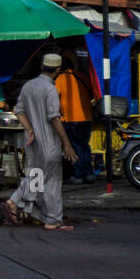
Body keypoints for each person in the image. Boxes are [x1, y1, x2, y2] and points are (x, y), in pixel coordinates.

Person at [2, 54, 77, 231]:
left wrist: (30, 130)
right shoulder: (50, 90)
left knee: (39, 178)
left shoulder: (29, 85)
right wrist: (66, 143)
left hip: (33, 142)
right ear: (58, 70)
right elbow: (54, 118)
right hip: (49, 143)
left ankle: (51, 219)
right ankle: (14, 201)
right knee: (47, 180)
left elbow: (18, 111)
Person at [55, 56, 96, 184]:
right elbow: (92, 94)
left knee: (75, 147)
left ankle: (78, 175)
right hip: (87, 117)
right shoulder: (84, 76)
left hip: (70, 118)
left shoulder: (61, 78)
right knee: (84, 145)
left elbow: (54, 97)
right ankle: (88, 173)